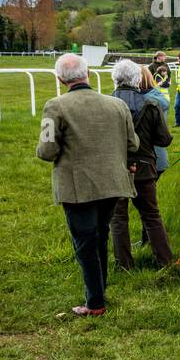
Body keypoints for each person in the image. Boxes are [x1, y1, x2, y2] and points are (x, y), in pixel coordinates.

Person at [36, 54, 139, 316]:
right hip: (113, 183)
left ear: (60, 79)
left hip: (77, 186)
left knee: (85, 243)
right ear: (89, 74)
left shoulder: (55, 106)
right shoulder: (117, 105)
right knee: (100, 236)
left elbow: (47, 150)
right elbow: (133, 144)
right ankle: (99, 291)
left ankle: (95, 303)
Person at [108, 59, 173, 269]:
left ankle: (124, 264)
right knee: (152, 215)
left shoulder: (106, 104)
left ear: (115, 78)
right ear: (138, 78)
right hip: (144, 166)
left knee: (118, 219)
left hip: (115, 167)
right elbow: (163, 140)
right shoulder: (151, 104)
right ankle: (165, 261)